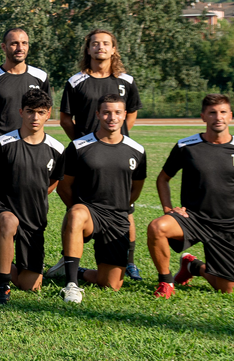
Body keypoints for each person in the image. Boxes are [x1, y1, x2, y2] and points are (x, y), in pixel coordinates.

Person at [148, 94, 234, 297]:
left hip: (229, 226)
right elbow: (163, 178)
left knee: (230, 291)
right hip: (194, 219)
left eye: (223, 112)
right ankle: (166, 281)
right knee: (157, 227)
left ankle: (194, 266)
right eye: (212, 113)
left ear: (231, 116)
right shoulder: (186, 146)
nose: (218, 117)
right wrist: (167, 208)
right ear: (203, 117)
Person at [58, 30, 144, 280]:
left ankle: (129, 262)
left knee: (125, 207)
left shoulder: (126, 80)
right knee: (77, 205)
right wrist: (83, 145)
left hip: (117, 153)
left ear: (114, 49)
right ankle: (70, 261)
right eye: (95, 44)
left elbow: (131, 114)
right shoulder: (76, 81)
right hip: (87, 156)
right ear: (88, 49)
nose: (100, 47)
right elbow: (65, 118)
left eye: (106, 43)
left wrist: (118, 141)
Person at [0, 28, 52, 283]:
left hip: (30, 154)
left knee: (25, 210)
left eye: (24, 43)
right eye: (14, 43)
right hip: (1, 157)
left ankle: (14, 259)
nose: (19, 47)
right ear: (3, 47)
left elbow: (44, 108)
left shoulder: (40, 76)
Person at [51, 94, 146, 303]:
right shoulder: (79, 147)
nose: (112, 117)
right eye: (106, 112)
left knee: (111, 284)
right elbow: (63, 186)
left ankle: (79, 271)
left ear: (124, 116)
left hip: (118, 218)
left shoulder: (137, 150)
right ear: (98, 115)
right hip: (90, 213)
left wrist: (119, 206)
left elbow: (135, 190)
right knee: (76, 214)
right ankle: (71, 284)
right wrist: (78, 211)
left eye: (117, 112)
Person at [0, 89, 64, 304]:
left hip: (34, 218)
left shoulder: (57, 149)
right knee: (9, 222)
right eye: (30, 111)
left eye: (40, 112)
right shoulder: (3, 143)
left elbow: (54, 181)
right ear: (21, 112)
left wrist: (35, 196)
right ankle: (2, 287)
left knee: (31, 285)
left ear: (48, 114)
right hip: (5, 211)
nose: (34, 117)